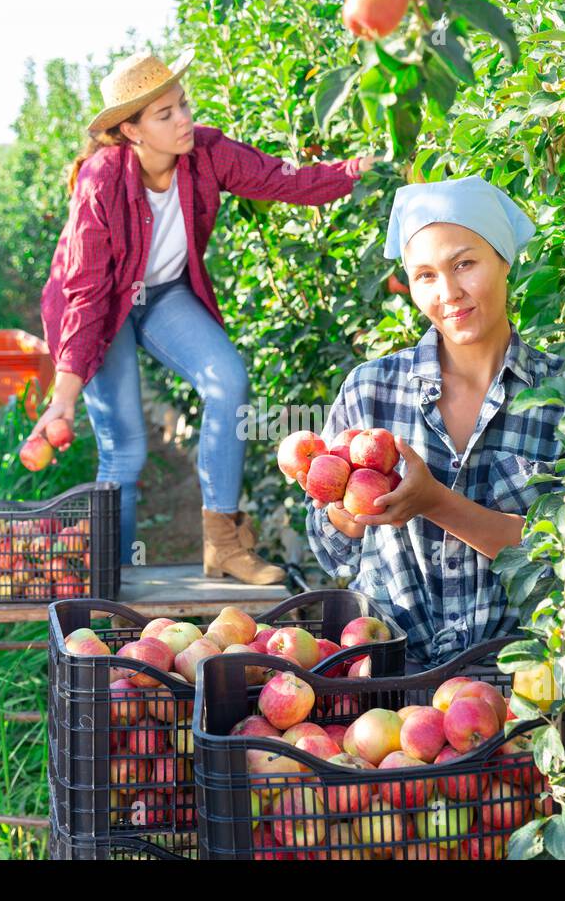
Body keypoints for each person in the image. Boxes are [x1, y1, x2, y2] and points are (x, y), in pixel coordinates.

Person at [35, 49, 378, 584]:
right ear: (131, 131)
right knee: (126, 450)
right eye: (165, 114)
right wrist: (63, 398)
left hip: (162, 293)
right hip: (100, 304)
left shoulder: (207, 151)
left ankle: (224, 544)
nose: (184, 119)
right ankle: (115, 578)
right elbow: (87, 292)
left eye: (183, 105)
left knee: (228, 380)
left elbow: (287, 181)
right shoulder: (101, 179)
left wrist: (360, 171)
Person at [305, 176, 565, 671]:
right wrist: (346, 505)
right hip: (388, 686)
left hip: (525, 687)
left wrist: (436, 504)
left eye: (464, 263)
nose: (448, 292)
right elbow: (332, 551)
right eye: (425, 275)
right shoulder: (372, 389)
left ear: (504, 261)